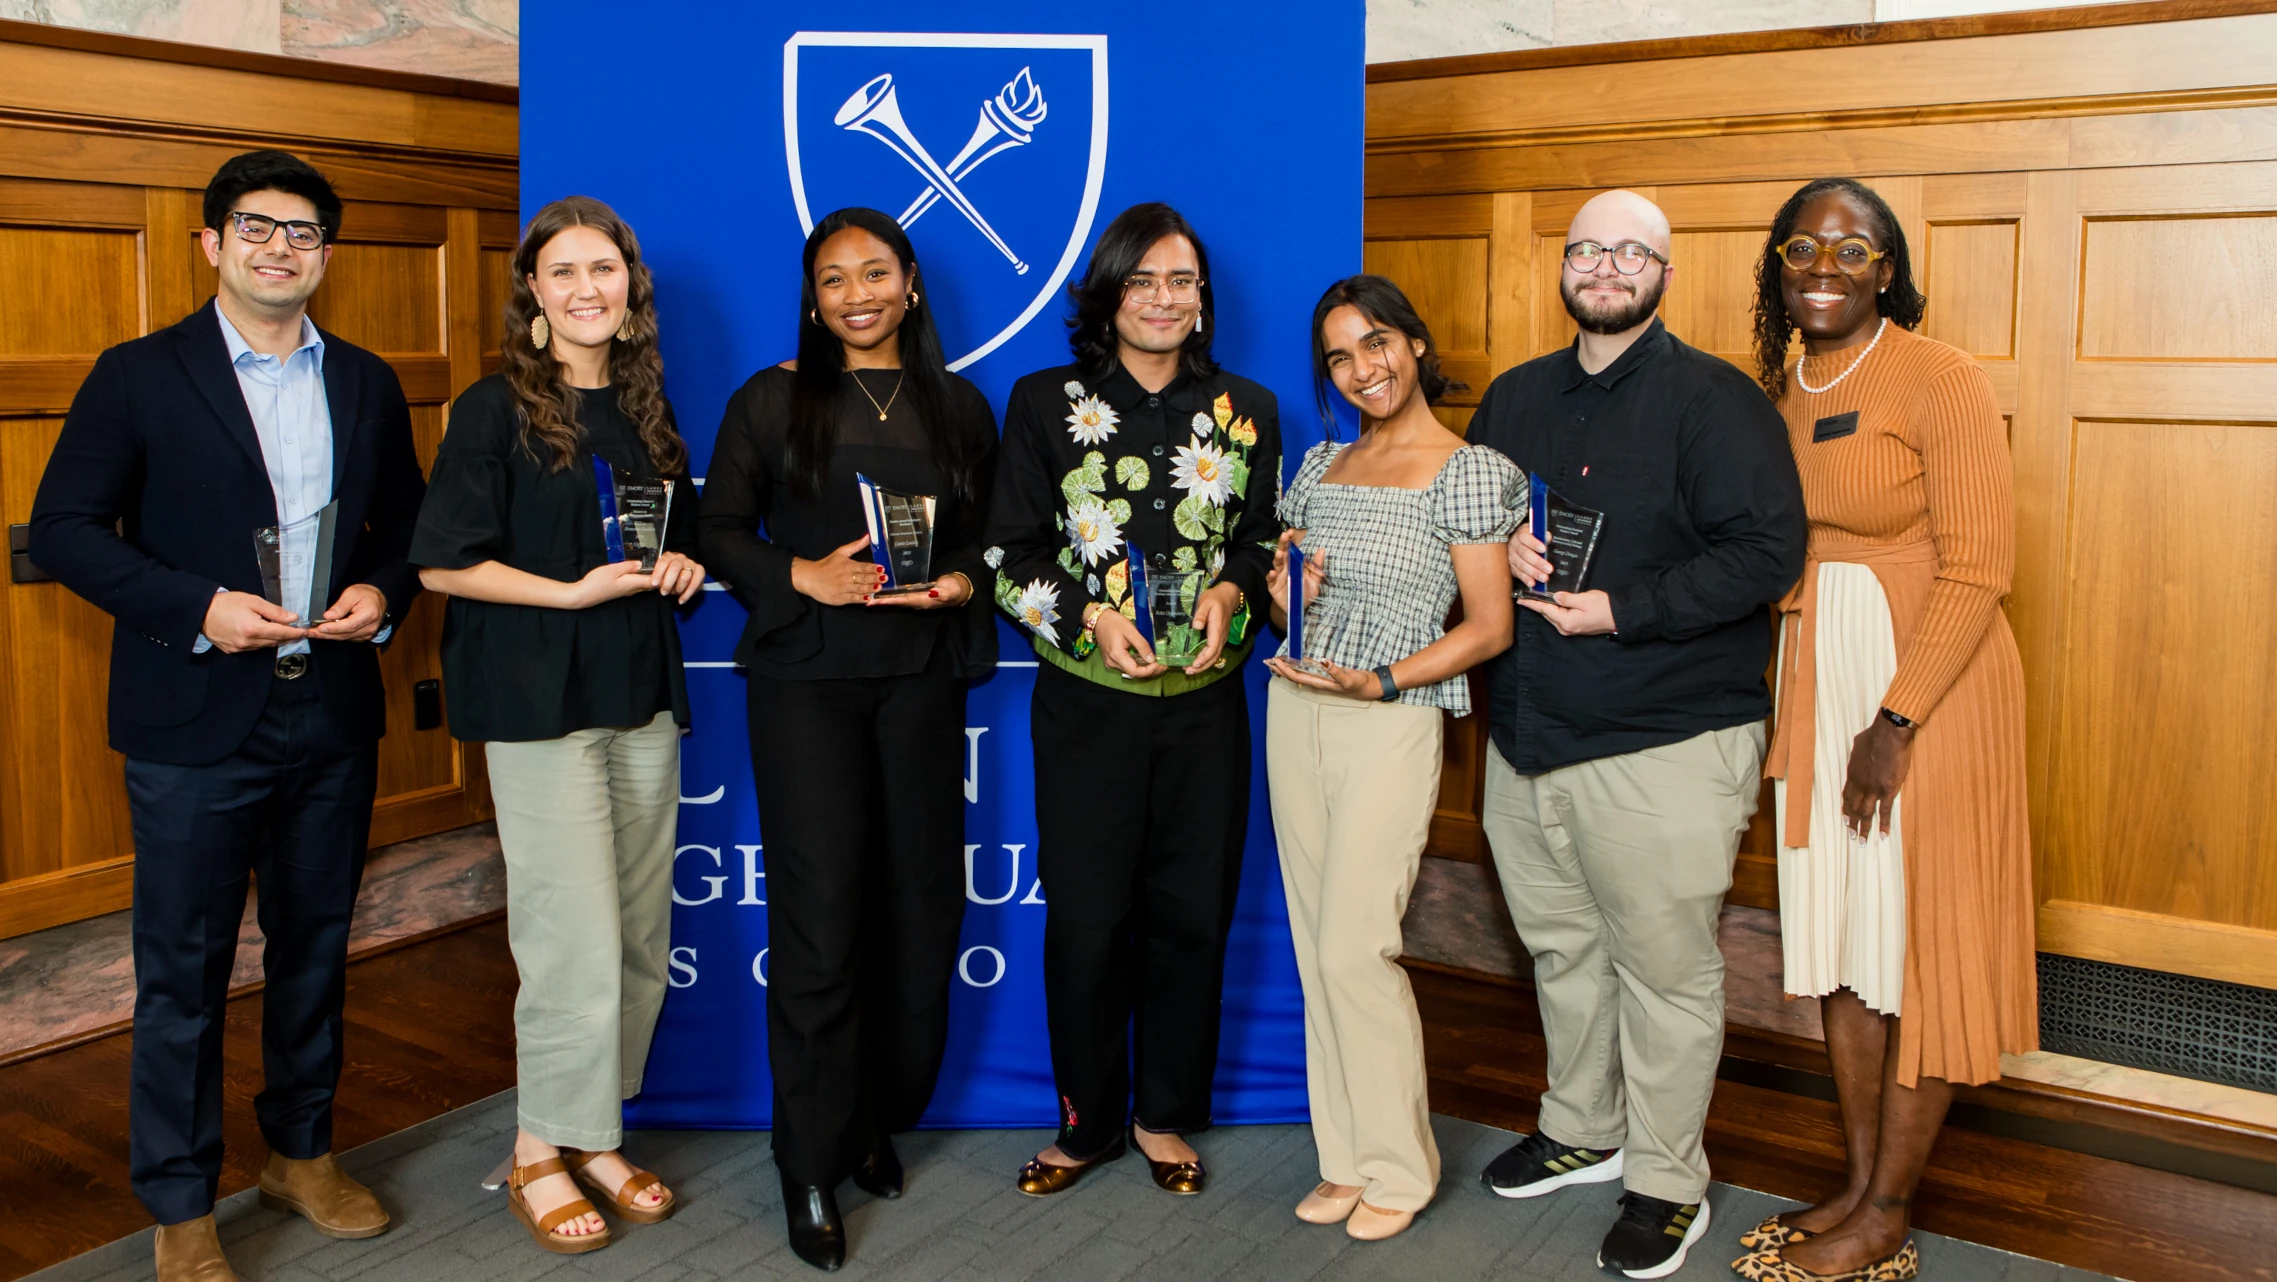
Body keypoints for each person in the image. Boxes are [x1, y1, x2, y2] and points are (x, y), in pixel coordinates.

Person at [27, 149, 426, 1282]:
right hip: (193, 717)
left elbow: (406, 526)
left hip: (333, 710)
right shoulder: (137, 374)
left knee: (315, 950)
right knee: (184, 973)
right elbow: (62, 530)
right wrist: (198, 606)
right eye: (256, 227)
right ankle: (181, 1201)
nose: (279, 249)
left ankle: (300, 1153)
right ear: (212, 242)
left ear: (327, 255)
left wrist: (383, 594)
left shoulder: (366, 380)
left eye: (302, 233)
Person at [1466, 189, 1808, 1280]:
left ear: (1664, 271)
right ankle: (1582, 1126)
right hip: (1525, 731)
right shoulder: (1514, 396)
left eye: (1632, 252)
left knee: (1664, 972)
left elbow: (1768, 552)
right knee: (1561, 950)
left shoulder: (1716, 401)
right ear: (1562, 267)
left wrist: (1624, 605)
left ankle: (1668, 1182)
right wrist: (1493, 553)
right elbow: (1464, 524)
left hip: (1662, 734)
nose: (1606, 267)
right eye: (1588, 250)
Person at [1730, 178, 2035, 1282]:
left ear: (1887, 270)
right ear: (1778, 265)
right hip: (1817, 679)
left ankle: (1893, 1206)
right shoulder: (1784, 388)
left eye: (1852, 249)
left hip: (1924, 692)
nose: (1825, 264)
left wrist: (1894, 719)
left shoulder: (1940, 374)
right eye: (1803, 245)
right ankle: (1859, 1180)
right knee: (1846, 942)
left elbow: (1981, 567)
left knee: (1918, 940)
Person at [697, 207, 997, 1272]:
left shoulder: (960, 406)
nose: (857, 292)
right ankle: (808, 1158)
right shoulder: (772, 398)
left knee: (918, 914)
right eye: (834, 279)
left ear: (911, 285)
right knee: (822, 924)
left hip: (919, 684)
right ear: (813, 297)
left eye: (876, 273)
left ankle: (875, 1114)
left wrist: (959, 580)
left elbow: (983, 538)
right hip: (807, 688)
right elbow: (717, 529)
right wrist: (802, 576)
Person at [410, 196, 702, 1257]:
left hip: (639, 694)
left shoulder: (649, 413)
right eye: (564, 271)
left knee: (634, 933)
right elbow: (441, 561)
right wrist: (570, 593)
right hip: (536, 700)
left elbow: (678, 549)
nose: (588, 288)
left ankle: (596, 1130)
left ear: (632, 292)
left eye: (606, 270)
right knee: (567, 936)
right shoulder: (494, 409)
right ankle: (540, 1146)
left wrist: (683, 564)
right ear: (533, 292)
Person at [984, 202, 1280, 1198]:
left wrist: (1236, 591)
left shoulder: (1248, 409)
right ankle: (1086, 1120)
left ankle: (1165, 1115)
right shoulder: (1042, 402)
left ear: (1203, 300)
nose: (1164, 298)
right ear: (1106, 293)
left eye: (1182, 281)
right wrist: (1086, 618)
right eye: (1143, 280)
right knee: (1087, 921)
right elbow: (1004, 554)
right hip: (1087, 704)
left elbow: (1261, 540)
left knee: (1192, 915)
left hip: (1206, 702)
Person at [1263, 275, 1518, 1242]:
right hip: (1295, 704)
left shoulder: (1468, 470)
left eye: (1376, 343)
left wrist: (1382, 681)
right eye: (1339, 355)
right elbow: (1293, 606)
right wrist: (1294, 592)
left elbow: (1489, 628)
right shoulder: (1320, 463)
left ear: (1413, 343)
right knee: (1309, 944)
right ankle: (1346, 1158)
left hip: (1388, 714)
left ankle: (1400, 1165)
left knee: (1353, 945)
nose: (1362, 368)